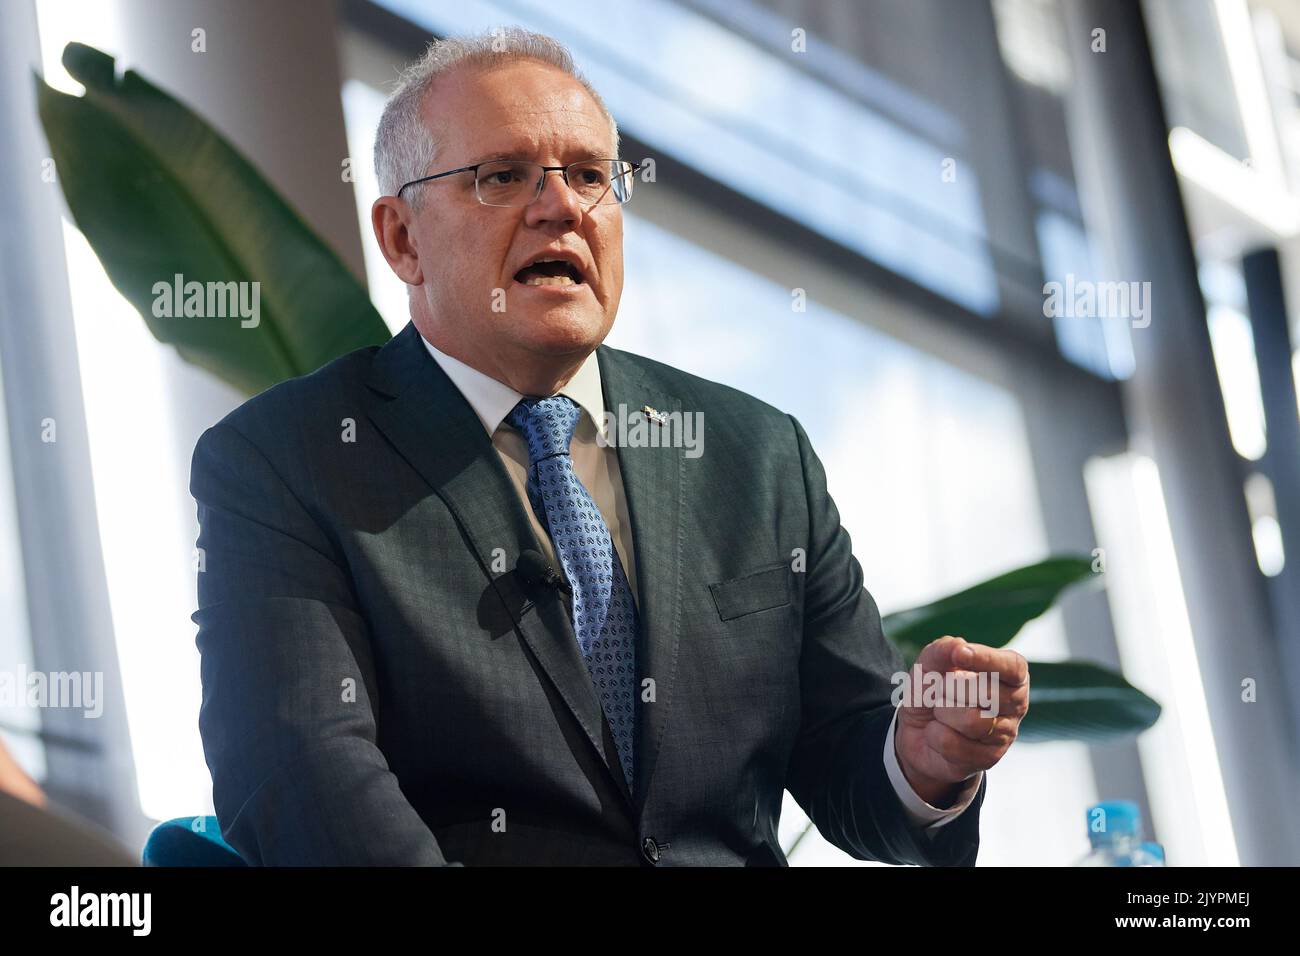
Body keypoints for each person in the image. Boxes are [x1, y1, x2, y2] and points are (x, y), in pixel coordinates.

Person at [190, 27, 1028, 866]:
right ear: (403, 237)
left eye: (591, 176)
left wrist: (924, 764)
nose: (562, 207)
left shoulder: (757, 455)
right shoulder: (287, 460)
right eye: (503, 175)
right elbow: (303, 776)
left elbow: (852, 768)